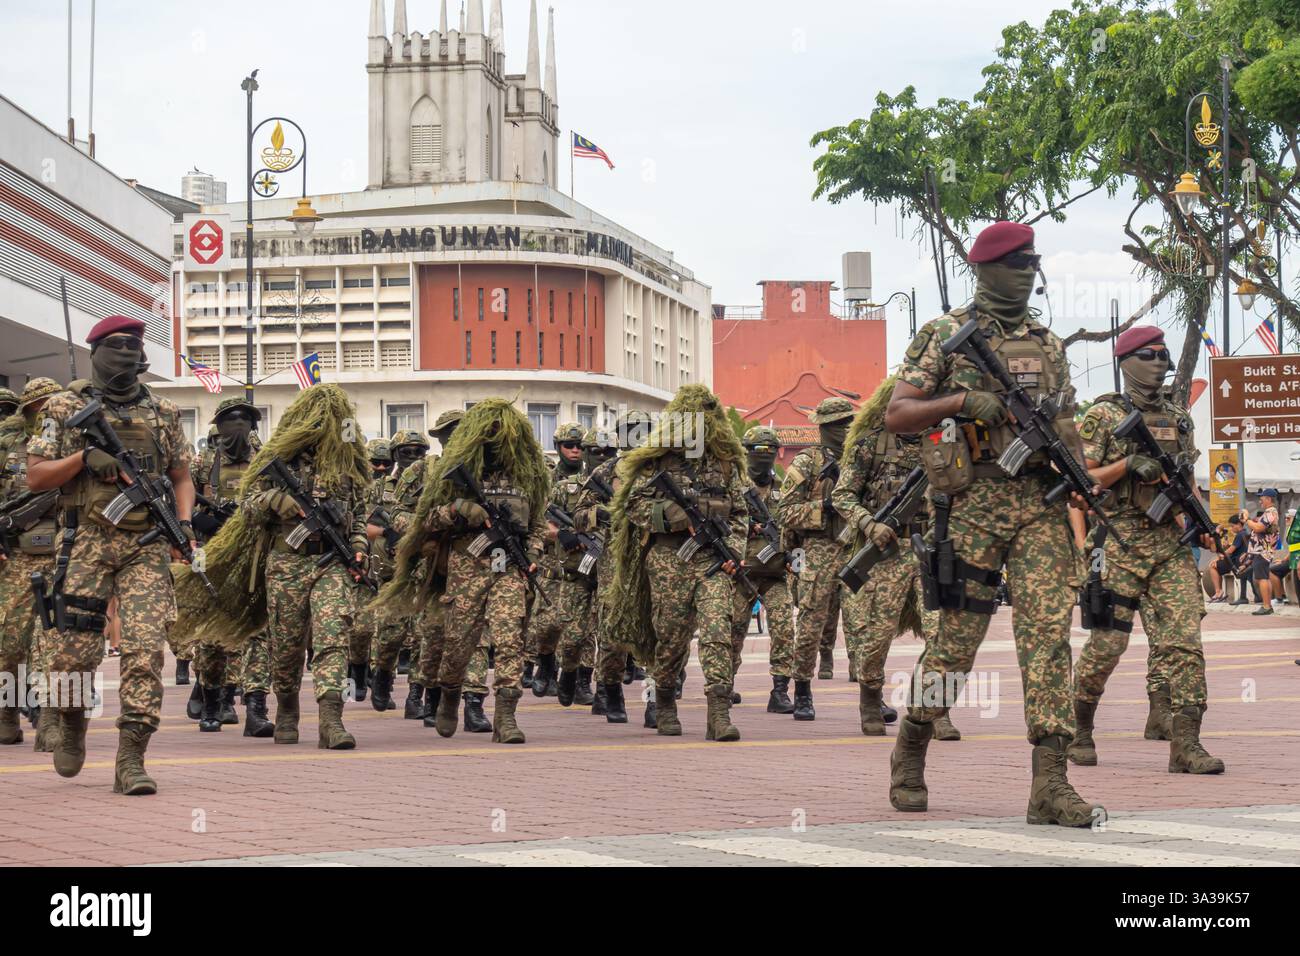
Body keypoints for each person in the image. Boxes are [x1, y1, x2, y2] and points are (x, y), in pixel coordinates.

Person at [882, 221, 1103, 826]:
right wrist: (958, 402)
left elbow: (1065, 423)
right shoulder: (946, 335)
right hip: (971, 505)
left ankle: (1050, 783)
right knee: (954, 648)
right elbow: (898, 414)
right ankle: (912, 747)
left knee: (1048, 638)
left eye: (1033, 262)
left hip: (1038, 505)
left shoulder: (1050, 344)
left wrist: (1079, 482)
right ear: (984, 270)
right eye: (1016, 262)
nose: (1028, 272)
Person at [26, 315, 197, 795]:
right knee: (72, 653)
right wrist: (83, 459)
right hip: (83, 543)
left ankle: (131, 758)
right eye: (118, 345)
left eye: (136, 345)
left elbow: (182, 476)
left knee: (145, 651)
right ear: (96, 350)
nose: (128, 353)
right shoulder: (64, 406)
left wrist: (182, 526)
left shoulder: (162, 411)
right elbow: (36, 476)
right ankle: (72, 721)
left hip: (145, 546)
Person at [174, 384, 371, 750]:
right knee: (286, 644)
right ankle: (286, 711)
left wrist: (359, 546)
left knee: (332, 634)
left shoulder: (349, 465)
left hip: (332, 562)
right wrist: (272, 499)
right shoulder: (278, 458)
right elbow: (247, 506)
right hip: (286, 562)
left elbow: (360, 516)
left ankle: (331, 719)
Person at [1067, 325, 1223, 774]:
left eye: (1163, 356)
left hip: (1168, 546)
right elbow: (1082, 477)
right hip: (1117, 544)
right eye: (1149, 356)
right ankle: (1080, 729)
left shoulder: (1177, 417)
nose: (1159, 365)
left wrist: (1203, 522)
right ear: (1127, 360)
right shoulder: (1102, 415)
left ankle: (1187, 744)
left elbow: (1187, 479)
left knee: (1184, 643)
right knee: (1108, 645)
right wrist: (1127, 464)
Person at [382, 399, 548, 744]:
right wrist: (457, 510)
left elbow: (536, 524)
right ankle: (450, 694)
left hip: (508, 566)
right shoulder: (452, 475)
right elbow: (421, 521)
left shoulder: (527, 477)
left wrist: (533, 552)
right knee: (458, 643)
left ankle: (506, 716)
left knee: (509, 639)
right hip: (466, 565)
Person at [604, 384, 749, 741]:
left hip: (713, 561)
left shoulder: (726, 465)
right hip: (669, 561)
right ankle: (666, 701)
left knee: (718, 632)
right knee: (670, 638)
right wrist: (667, 515)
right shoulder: (658, 460)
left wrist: (734, 552)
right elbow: (630, 507)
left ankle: (719, 712)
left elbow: (742, 512)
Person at [832, 376, 958, 740]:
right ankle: (870, 699)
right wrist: (870, 525)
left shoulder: (938, 446)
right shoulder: (870, 446)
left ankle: (935, 710)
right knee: (877, 635)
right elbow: (843, 496)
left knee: (940, 634)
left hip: (927, 551)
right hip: (885, 554)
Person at [189, 398, 272, 736]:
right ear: (219, 427)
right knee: (212, 632)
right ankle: (211, 702)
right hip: (215, 553)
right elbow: (181, 499)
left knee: (258, 631)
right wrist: (202, 521)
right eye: (230, 421)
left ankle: (256, 708)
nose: (238, 427)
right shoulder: (204, 462)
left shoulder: (267, 461)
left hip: (254, 552)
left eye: (245, 421)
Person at [774, 397, 859, 718]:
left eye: (849, 423)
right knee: (810, 624)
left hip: (854, 548)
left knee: (862, 624)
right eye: (841, 425)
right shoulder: (807, 462)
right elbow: (786, 512)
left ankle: (871, 692)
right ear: (826, 429)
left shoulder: (859, 460)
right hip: (818, 550)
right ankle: (803, 691)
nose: (847, 429)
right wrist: (823, 507)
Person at [572, 411, 652, 724]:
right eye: (632, 430)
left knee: (657, 629)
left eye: (643, 430)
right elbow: (578, 514)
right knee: (613, 629)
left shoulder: (661, 470)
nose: (638, 436)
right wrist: (602, 515)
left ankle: (656, 699)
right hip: (614, 562)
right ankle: (611, 688)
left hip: (652, 559)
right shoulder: (605, 472)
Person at [0, 378, 63, 749]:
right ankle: (7, 710)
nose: (46, 413)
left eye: (52, 405)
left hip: (65, 551)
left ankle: (50, 718)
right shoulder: (8, 447)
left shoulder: (75, 445)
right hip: (17, 555)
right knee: (10, 642)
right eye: (39, 407)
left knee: (54, 639)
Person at [528, 423, 599, 706]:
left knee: (585, 628)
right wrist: (562, 533)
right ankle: (545, 666)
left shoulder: (594, 479)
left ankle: (581, 680)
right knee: (547, 625)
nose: (575, 450)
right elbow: (536, 522)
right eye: (569, 445)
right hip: (552, 565)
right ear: (558, 447)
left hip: (586, 565)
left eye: (580, 446)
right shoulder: (548, 481)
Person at [733, 427, 798, 714]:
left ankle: (780, 690)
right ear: (747, 453)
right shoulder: (735, 489)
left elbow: (794, 528)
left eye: (770, 453)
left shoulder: (783, 489)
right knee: (732, 630)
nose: (764, 459)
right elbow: (720, 521)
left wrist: (793, 556)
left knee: (785, 628)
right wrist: (749, 526)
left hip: (775, 575)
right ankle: (725, 684)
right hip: (742, 572)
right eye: (758, 453)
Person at [367, 429, 431, 717]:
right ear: (394, 456)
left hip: (425, 569)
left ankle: (416, 695)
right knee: (390, 635)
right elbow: (361, 526)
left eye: (419, 453)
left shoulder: (433, 486)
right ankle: (382, 677)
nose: (413, 458)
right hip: (392, 572)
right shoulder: (379, 489)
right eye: (406, 453)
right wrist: (387, 532)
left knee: (423, 635)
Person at [1245, 490, 1281, 616]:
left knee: (1261, 578)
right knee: (1263, 577)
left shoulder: (1270, 512)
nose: (1260, 500)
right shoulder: (1270, 513)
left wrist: (1247, 519)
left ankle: (1266, 606)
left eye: (1262, 498)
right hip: (1263, 550)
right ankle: (1268, 605)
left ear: (1269, 499)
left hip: (1263, 551)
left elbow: (1259, 528)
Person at [1207, 515, 1247, 602]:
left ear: (1239, 524)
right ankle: (1219, 592)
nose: (1232, 529)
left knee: (1213, 566)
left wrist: (1218, 558)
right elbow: (1235, 548)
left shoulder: (1240, 535)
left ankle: (1218, 592)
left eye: (1232, 526)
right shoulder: (1245, 533)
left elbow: (1230, 551)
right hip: (1237, 560)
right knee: (1217, 563)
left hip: (1235, 563)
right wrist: (1227, 546)